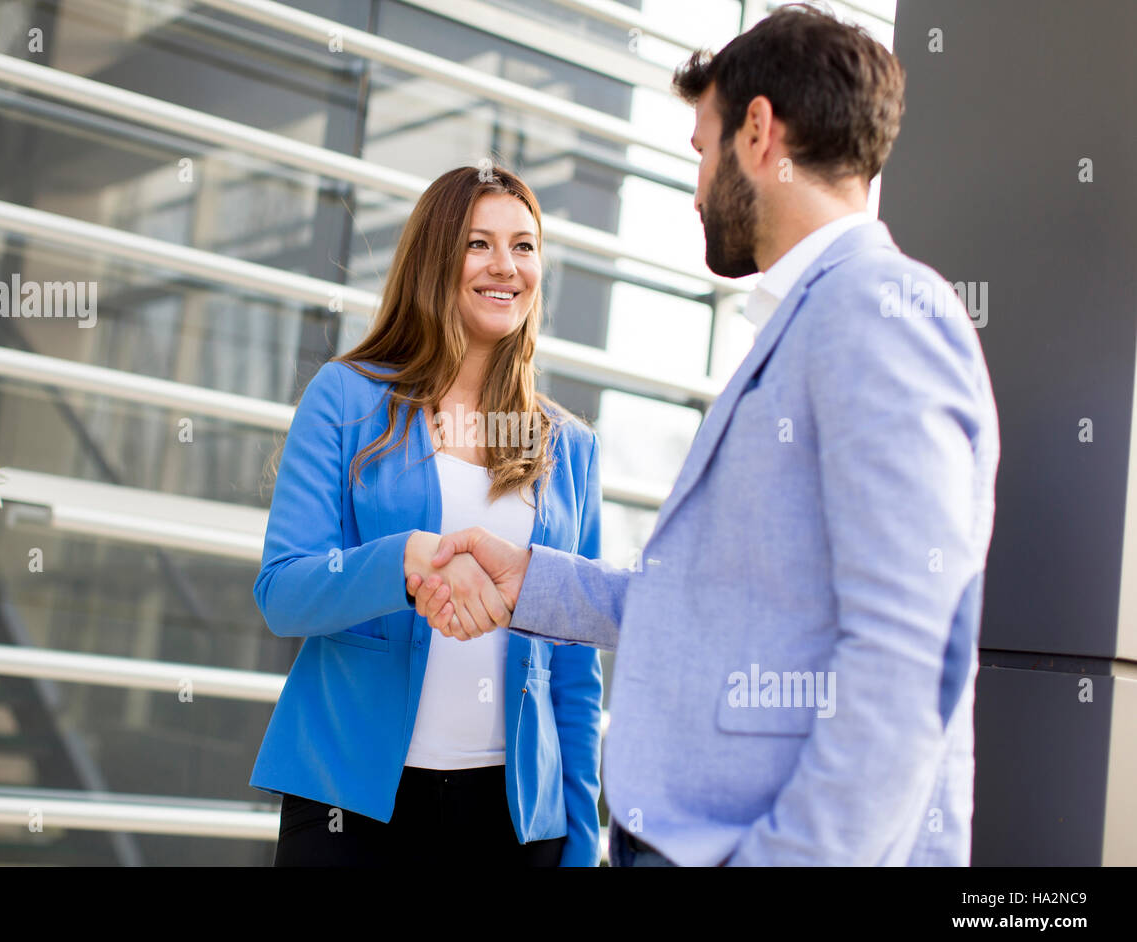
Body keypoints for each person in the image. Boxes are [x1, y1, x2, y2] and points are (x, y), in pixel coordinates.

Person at [409, 4, 1000, 866]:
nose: (695, 190)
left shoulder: (876, 314)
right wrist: (530, 581)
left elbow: (908, 656)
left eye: (701, 150)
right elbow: (723, 606)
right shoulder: (810, 317)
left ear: (758, 133)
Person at [250, 165, 604, 867]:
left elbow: (575, 663)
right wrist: (404, 560)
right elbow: (284, 591)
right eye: (479, 243)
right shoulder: (346, 400)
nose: (507, 266)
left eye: (525, 246)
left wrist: (581, 837)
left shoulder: (568, 447)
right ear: (435, 258)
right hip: (351, 806)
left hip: (513, 821)